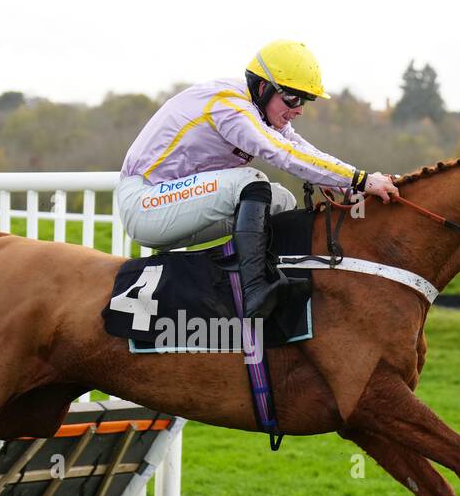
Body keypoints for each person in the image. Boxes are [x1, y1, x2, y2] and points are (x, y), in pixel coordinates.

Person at [116, 40, 399, 320]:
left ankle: (275, 281)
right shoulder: (230, 107)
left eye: (304, 101)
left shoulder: (259, 109)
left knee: (282, 201)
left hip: (177, 208)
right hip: (146, 204)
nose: (299, 109)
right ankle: (254, 293)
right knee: (251, 181)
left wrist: (349, 183)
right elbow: (283, 154)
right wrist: (361, 180)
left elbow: (300, 149)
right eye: (292, 98)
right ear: (263, 88)